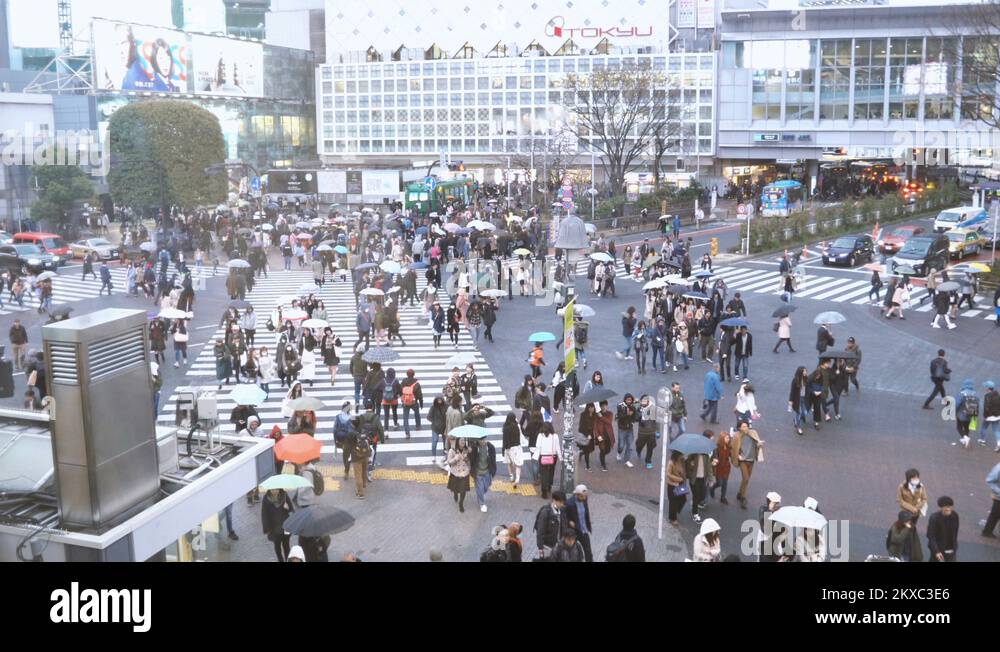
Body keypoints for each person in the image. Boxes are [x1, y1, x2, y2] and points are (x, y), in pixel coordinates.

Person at [896, 468, 927, 562]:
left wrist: (917, 508)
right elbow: (899, 500)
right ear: (909, 478)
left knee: (911, 529)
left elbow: (924, 499)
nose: (916, 479)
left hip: (915, 514)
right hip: (906, 514)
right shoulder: (902, 487)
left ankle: (909, 547)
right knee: (905, 530)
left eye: (917, 477)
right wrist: (911, 508)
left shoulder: (921, 486)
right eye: (914, 477)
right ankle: (903, 550)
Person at [731, 419, 763, 510]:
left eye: (747, 426)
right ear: (739, 428)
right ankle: (743, 498)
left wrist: (759, 444)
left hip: (751, 459)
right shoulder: (737, 436)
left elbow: (757, 443)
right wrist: (738, 456)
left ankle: (740, 493)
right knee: (746, 478)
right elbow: (733, 448)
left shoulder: (753, 433)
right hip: (743, 461)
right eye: (743, 426)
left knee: (746, 479)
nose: (746, 428)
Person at [261, 489, 294, 562]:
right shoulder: (266, 498)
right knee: (277, 547)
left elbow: (292, 510)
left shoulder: (284, 495)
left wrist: (287, 508)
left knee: (286, 547)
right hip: (274, 529)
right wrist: (266, 529)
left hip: (286, 527)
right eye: (272, 489)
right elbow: (264, 514)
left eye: (276, 489)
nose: (274, 491)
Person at [533, 491, 569, 559]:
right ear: (554, 500)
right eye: (560, 502)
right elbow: (540, 531)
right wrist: (540, 547)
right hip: (547, 546)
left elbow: (564, 526)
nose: (562, 504)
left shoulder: (562, 511)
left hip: (559, 545)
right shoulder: (545, 512)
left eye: (563, 502)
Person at [565, 484, 594, 562]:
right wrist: (569, 521)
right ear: (577, 495)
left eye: (585, 496)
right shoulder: (569, 503)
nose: (584, 498)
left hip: (583, 530)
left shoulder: (584, 499)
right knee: (571, 551)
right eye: (582, 496)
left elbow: (586, 513)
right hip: (574, 531)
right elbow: (563, 515)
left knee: (588, 551)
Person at [469, 436, 498, 513]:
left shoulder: (490, 447)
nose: (482, 441)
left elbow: (493, 459)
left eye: (484, 439)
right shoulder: (474, 448)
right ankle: (482, 504)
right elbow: (471, 460)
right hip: (478, 472)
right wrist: (470, 452)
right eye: (481, 440)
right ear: (478, 440)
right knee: (480, 488)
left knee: (486, 487)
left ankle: (480, 494)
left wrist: (494, 470)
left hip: (487, 471)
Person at [926, 496, 959, 562]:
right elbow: (931, 536)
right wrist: (936, 551)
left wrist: (955, 546)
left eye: (950, 506)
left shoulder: (955, 516)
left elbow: (955, 532)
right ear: (941, 507)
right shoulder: (934, 518)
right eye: (946, 507)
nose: (948, 509)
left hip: (951, 550)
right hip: (939, 550)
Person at [351, 411, 374, 499]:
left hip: (356, 456)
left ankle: (360, 493)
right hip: (366, 454)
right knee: (364, 471)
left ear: (353, 424)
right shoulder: (364, 430)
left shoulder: (352, 433)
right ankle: (363, 485)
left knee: (358, 475)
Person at [446, 438, 472, 512]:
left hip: (464, 473)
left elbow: (470, 461)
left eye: (464, 440)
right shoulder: (452, 450)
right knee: (455, 489)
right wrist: (455, 459)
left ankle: (461, 503)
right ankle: (455, 493)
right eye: (461, 440)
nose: (463, 442)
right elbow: (449, 462)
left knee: (463, 490)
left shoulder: (467, 450)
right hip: (455, 473)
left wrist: (467, 458)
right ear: (458, 441)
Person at [535, 422, 560, 499]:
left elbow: (537, 446)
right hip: (553, 456)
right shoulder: (555, 436)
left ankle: (544, 491)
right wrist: (561, 457)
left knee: (544, 473)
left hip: (543, 456)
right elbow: (557, 447)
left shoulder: (540, 435)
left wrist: (536, 456)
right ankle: (549, 486)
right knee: (551, 472)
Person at [635, 395, 659, 469]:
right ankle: (638, 451)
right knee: (639, 445)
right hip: (642, 432)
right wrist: (639, 413)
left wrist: (658, 431)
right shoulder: (639, 409)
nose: (644, 402)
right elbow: (636, 419)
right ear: (641, 401)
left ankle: (648, 461)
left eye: (646, 401)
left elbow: (657, 421)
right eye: (643, 401)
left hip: (651, 432)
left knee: (650, 447)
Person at [709, 429, 731, 505]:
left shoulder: (728, 446)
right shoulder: (716, 448)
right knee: (719, 483)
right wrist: (715, 461)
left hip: (726, 467)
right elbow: (714, 457)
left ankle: (723, 497)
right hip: (718, 467)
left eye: (728, 438)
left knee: (725, 483)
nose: (728, 439)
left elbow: (731, 454)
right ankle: (712, 489)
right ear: (722, 439)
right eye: (727, 438)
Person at [501, 413, 524, 487]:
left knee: (509, 462)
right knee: (518, 464)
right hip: (517, 447)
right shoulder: (517, 426)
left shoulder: (505, 428)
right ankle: (517, 479)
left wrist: (503, 449)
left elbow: (504, 440)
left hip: (508, 448)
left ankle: (511, 476)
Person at [616, 393, 638, 467]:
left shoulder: (633, 407)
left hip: (630, 429)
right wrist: (627, 414)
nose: (629, 401)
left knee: (630, 446)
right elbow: (619, 417)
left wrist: (633, 419)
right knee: (621, 445)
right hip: (622, 428)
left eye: (630, 400)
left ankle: (627, 460)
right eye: (627, 400)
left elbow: (635, 417)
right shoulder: (620, 406)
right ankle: (619, 452)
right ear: (625, 400)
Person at [955, 378, 978, 448]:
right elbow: (977, 404)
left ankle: (965, 438)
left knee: (959, 427)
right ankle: (966, 438)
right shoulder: (975, 394)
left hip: (961, 415)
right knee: (967, 428)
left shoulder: (962, 394)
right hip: (970, 415)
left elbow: (957, 404)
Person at [666, 450, 688, 525]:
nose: (683, 455)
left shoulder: (682, 461)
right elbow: (668, 474)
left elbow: (685, 471)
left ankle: (676, 510)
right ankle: (672, 518)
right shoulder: (671, 462)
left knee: (683, 499)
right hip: (673, 485)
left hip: (681, 484)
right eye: (682, 454)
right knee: (673, 502)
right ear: (677, 454)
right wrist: (678, 479)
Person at [594, 400, 615, 472]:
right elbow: (595, 426)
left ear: (607, 406)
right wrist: (597, 436)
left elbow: (609, 422)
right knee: (602, 450)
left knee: (608, 450)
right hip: (601, 436)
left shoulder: (610, 413)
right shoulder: (597, 415)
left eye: (605, 406)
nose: (603, 407)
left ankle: (602, 457)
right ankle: (603, 464)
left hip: (608, 436)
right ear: (600, 407)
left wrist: (601, 416)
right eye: (602, 406)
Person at [789, 366, 810, 436]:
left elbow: (808, 388)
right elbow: (792, 391)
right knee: (799, 412)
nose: (805, 372)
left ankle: (795, 420)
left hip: (804, 398)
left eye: (805, 371)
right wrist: (791, 400)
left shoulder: (806, 379)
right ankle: (799, 427)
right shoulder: (795, 380)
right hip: (797, 399)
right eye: (804, 371)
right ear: (800, 372)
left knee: (805, 413)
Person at [982, 461, 1000, 538]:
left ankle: (987, 531)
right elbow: (990, 480)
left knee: (995, 514)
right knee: (995, 514)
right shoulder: (999, 468)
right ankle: (987, 531)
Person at [982, 381, 1000, 452]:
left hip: (989, 416)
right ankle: (999, 443)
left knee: (984, 427)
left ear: (988, 388)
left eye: (985, 387)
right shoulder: (997, 394)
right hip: (997, 416)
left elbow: (986, 407)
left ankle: (982, 440)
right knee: (996, 430)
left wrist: (985, 416)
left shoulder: (987, 396)